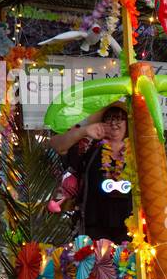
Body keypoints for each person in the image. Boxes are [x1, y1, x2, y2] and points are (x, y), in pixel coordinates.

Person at [47, 102, 134, 243]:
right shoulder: (89, 147)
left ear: (127, 123)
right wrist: (84, 131)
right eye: (109, 118)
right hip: (93, 226)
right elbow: (57, 145)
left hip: (130, 229)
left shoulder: (138, 150)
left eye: (119, 118)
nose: (114, 123)